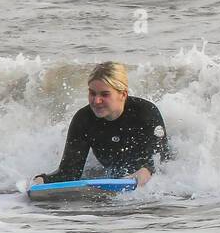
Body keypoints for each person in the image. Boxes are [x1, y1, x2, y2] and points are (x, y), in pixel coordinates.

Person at [32, 62, 170, 187]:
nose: (96, 101)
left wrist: (147, 170)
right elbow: (70, 173)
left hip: (158, 179)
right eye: (92, 93)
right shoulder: (83, 120)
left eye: (104, 94)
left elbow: (160, 158)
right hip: (117, 176)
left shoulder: (145, 112)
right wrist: (41, 181)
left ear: (123, 94)